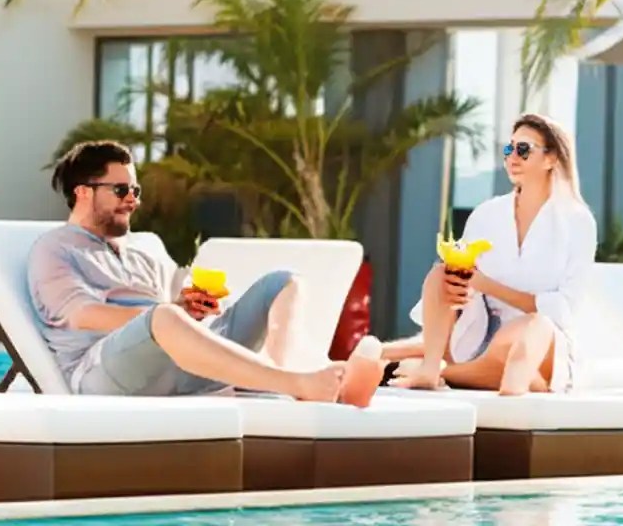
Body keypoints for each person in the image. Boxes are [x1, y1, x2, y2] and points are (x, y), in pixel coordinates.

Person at [29, 139, 376, 404]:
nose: (133, 200)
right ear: (83, 193)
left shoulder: (142, 249)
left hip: (177, 363)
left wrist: (195, 305)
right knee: (165, 317)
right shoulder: (55, 248)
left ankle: (292, 374)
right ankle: (294, 383)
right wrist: (170, 315)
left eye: (135, 190)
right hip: (105, 371)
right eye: (121, 190)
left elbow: (176, 303)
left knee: (283, 282)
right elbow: (83, 316)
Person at [386, 113, 596, 396]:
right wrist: (460, 287)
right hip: (480, 331)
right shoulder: (487, 214)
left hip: (541, 336)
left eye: (524, 149)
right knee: (440, 274)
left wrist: (486, 285)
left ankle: (449, 373)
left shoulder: (577, 221)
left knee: (530, 330)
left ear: (551, 158)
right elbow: (465, 276)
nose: (512, 157)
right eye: (509, 149)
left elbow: (563, 308)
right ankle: (433, 366)